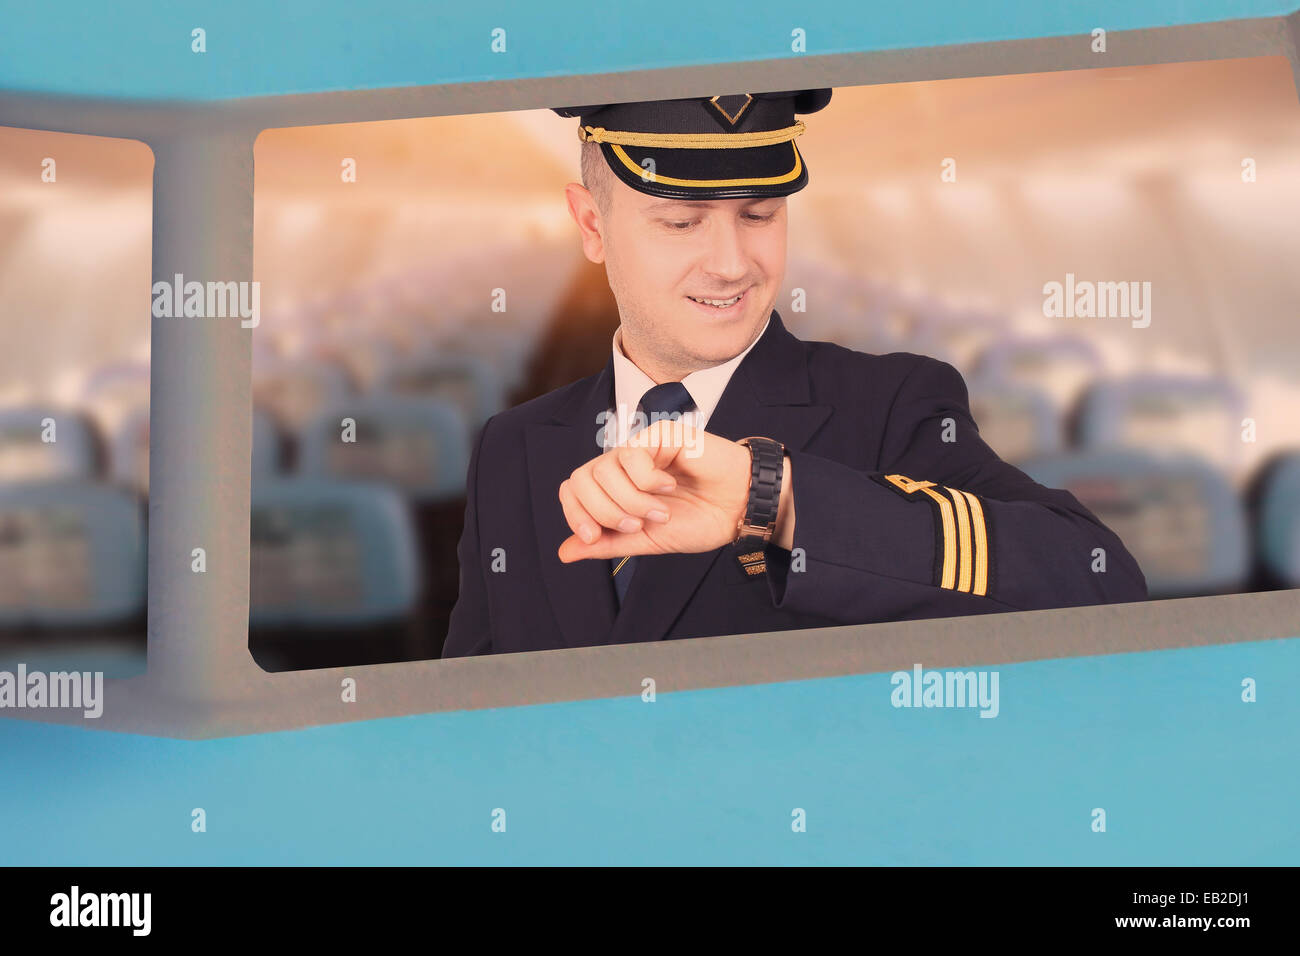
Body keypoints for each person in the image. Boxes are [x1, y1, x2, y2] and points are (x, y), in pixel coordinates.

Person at [441, 89, 1147, 657]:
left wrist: (771, 499)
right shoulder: (512, 446)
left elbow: (1099, 581)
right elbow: (471, 711)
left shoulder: (889, 405)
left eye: (760, 214)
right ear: (591, 226)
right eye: (681, 223)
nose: (731, 263)